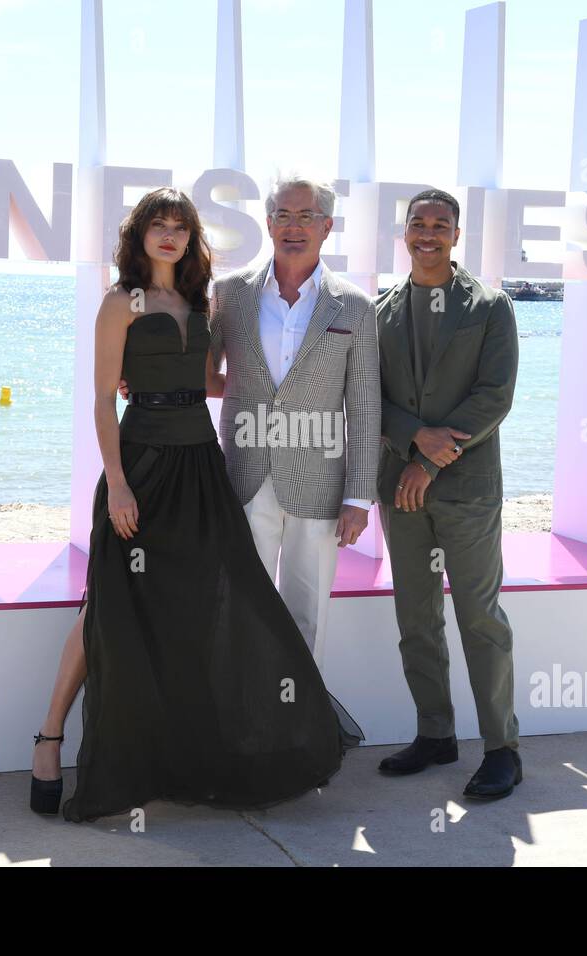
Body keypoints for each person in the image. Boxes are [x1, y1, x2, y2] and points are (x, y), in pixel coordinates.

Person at [30, 187, 362, 823]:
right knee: (108, 605)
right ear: (140, 235)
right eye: (158, 224)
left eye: (179, 226)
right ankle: (49, 740)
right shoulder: (119, 301)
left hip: (201, 466)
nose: (169, 235)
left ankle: (190, 747)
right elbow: (104, 400)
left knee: (201, 600)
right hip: (142, 468)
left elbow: (211, 381)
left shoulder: (198, 302)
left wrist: (290, 388)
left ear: (190, 239)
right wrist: (119, 484)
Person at [373, 188, 523, 800]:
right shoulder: (379, 311)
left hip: (466, 491)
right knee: (416, 617)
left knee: (480, 617)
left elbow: (495, 397)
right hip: (398, 488)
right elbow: (366, 397)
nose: (427, 233)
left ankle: (501, 750)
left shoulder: (491, 307)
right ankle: (435, 734)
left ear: (456, 235)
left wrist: (430, 463)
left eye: (440, 224)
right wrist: (413, 442)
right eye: (418, 223)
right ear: (404, 233)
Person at [207, 176, 381, 667]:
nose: (294, 226)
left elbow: (365, 406)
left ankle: (300, 730)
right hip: (245, 477)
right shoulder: (230, 294)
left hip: (321, 487)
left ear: (327, 227)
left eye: (306, 216)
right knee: (243, 608)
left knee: (307, 615)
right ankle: (245, 726)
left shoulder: (355, 307)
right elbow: (202, 373)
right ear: (267, 224)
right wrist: (143, 379)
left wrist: (357, 497)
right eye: (283, 215)